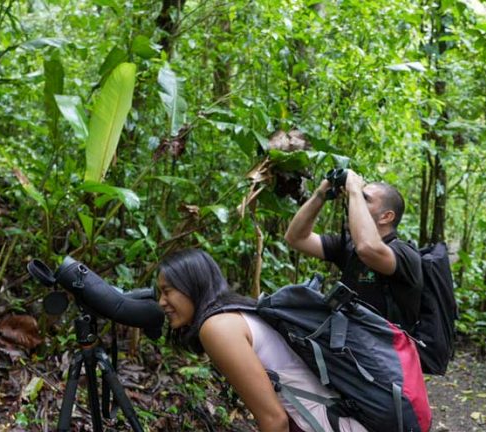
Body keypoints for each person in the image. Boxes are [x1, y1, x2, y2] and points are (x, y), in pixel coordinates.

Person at [157, 249, 367, 432]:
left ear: (192, 285)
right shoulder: (237, 313)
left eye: (167, 291)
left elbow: (275, 420)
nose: (162, 302)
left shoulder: (217, 328)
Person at [284, 169, 422, 329]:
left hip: (386, 349)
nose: (354, 202)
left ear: (386, 217)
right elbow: (296, 238)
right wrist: (321, 194)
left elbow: (367, 248)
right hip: (347, 342)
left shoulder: (404, 254)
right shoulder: (349, 245)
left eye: (365, 199)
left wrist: (355, 190)